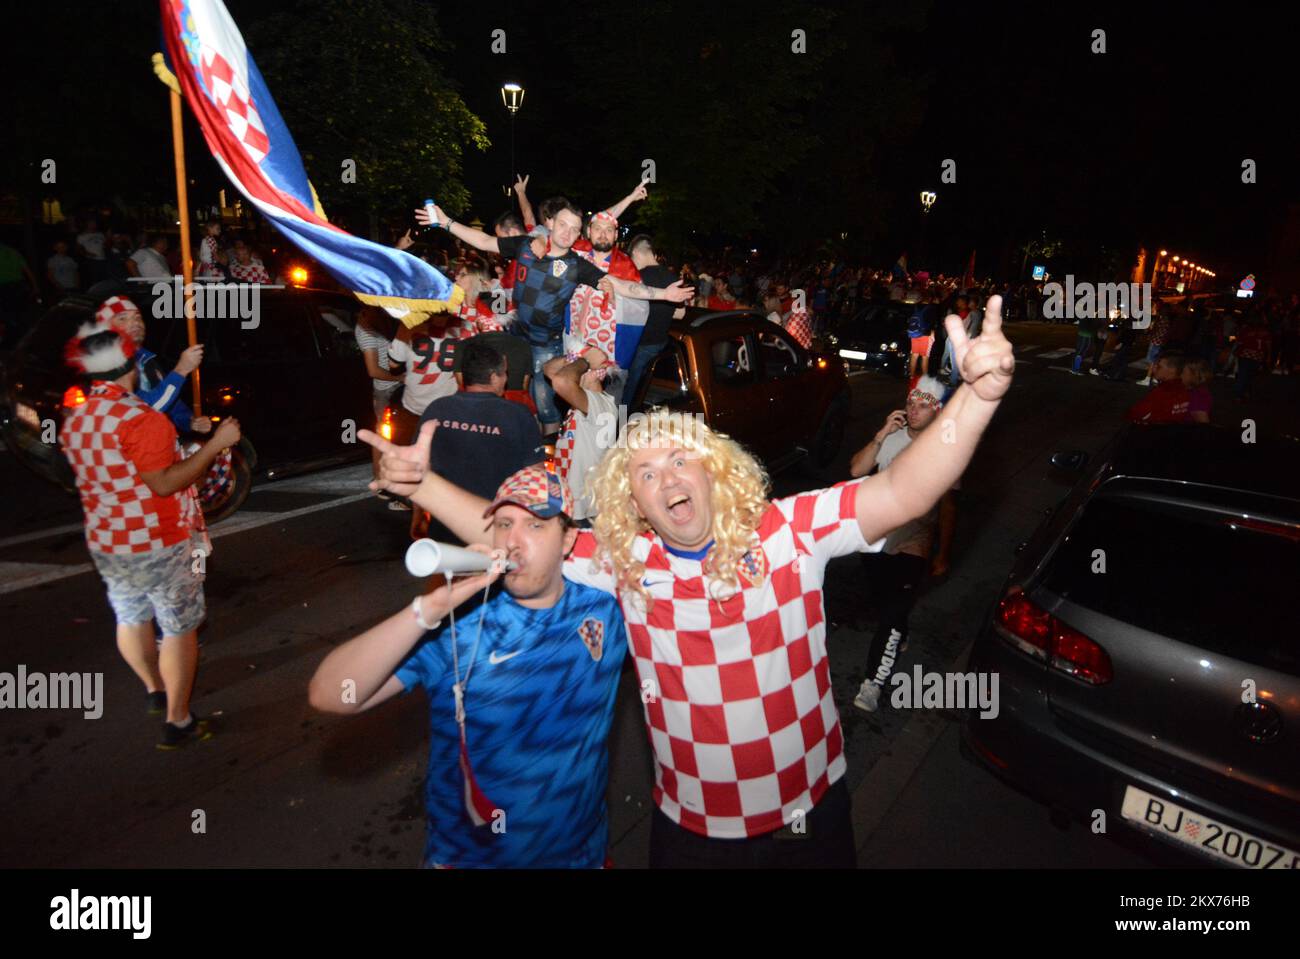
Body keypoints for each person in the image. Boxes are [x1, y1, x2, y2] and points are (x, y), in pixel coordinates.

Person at [362, 295, 1016, 868]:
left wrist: (976, 397)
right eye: (645, 473)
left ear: (714, 471)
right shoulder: (624, 559)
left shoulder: (790, 527)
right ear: (633, 503)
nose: (667, 477)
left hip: (810, 819)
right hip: (694, 836)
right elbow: (507, 540)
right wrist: (421, 484)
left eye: (680, 459)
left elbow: (903, 490)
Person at [309, 464, 626, 868]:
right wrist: (430, 609)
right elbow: (330, 695)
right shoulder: (460, 627)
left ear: (568, 540)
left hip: (582, 855)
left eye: (535, 526)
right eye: (504, 523)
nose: (514, 541)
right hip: (473, 859)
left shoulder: (607, 609)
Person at [61, 320, 241, 748]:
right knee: (179, 628)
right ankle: (178, 722)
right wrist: (216, 444)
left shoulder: (76, 419)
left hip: (109, 543)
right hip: (159, 541)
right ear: (129, 368)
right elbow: (165, 482)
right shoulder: (143, 420)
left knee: (131, 617)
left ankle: (154, 691)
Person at [415, 197, 694, 437]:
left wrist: (663, 295)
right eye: (563, 224)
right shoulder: (526, 245)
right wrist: (446, 221)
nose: (567, 232)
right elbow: (486, 241)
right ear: (550, 223)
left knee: (546, 405)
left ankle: (549, 454)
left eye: (574, 229)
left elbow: (624, 285)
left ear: (577, 235)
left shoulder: (578, 265)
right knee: (506, 396)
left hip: (546, 345)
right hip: (513, 336)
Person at [845, 376, 958, 712]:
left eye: (923, 405)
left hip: (915, 540)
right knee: (885, 602)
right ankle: (899, 628)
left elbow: (949, 507)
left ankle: (873, 683)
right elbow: (855, 470)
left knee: (894, 612)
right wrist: (880, 436)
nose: (913, 410)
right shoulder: (891, 437)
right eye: (911, 402)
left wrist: (943, 553)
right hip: (876, 537)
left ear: (937, 411)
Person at [419, 339, 544, 502]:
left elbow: (420, 467)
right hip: (497, 517)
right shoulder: (518, 415)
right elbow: (535, 473)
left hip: (444, 516)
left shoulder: (437, 409)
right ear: (493, 377)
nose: (506, 378)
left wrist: (418, 521)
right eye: (504, 373)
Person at [98, 296, 210, 436]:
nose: (135, 323)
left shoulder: (147, 361)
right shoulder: (106, 368)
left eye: (138, 317)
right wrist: (181, 369)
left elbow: (172, 404)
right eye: (122, 318)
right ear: (105, 328)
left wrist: (190, 421)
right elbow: (141, 411)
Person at [544, 345, 618, 523]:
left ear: (591, 373)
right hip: (572, 500)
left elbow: (561, 381)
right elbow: (548, 369)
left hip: (584, 510)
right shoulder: (586, 401)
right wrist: (575, 355)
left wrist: (584, 361)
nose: (573, 374)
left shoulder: (601, 405)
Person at [624, 235, 683, 408]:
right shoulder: (672, 278)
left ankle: (621, 424)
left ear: (636, 253)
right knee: (639, 388)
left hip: (638, 343)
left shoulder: (636, 278)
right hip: (658, 344)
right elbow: (680, 314)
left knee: (628, 390)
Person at [353, 306, 404, 485]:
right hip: (386, 389)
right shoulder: (366, 330)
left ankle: (387, 477)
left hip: (396, 386)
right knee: (383, 433)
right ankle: (379, 479)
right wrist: (401, 377)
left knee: (394, 433)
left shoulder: (381, 322)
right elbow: (373, 370)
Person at [1126, 350, 1190, 423]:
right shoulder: (1184, 389)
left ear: (1172, 370)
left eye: (1159, 367)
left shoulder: (1163, 391)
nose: (1153, 369)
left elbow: (1137, 414)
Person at [1233, 315, 1271, 401]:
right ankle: (1245, 392)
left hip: (1245, 354)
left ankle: (1239, 394)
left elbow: (1239, 342)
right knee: (1250, 375)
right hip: (1257, 356)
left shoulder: (1245, 330)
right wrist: (1268, 356)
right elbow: (1268, 346)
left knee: (1243, 374)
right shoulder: (1264, 332)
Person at [1182, 356, 1212, 424]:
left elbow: (1203, 422)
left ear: (1194, 376)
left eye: (1183, 372)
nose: (1180, 374)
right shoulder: (1189, 391)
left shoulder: (1198, 396)